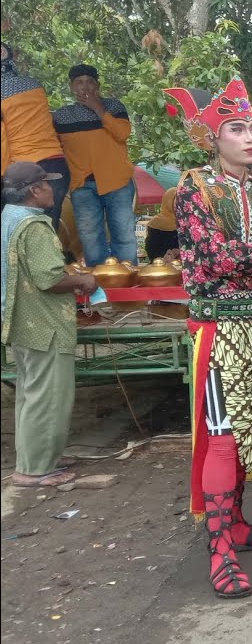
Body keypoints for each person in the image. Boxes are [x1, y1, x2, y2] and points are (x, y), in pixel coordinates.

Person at [164, 78, 252, 598]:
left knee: (246, 432)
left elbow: (249, 258)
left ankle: (236, 524)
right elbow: (214, 258)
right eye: (237, 129)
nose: (250, 137)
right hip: (219, 331)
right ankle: (219, 551)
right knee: (221, 435)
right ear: (214, 139)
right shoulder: (195, 187)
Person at [2, 161, 97, 488]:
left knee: (31, 394)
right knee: (48, 396)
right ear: (33, 191)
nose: (52, 189)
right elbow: (49, 278)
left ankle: (41, 456)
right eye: (47, 184)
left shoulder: (8, 218)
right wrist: (83, 279)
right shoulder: (35, 226)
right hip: (44, 323)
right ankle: (35, 470)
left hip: (22, 321)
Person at [53, 64, 137, 266]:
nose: (85, 87)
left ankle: (128, 290)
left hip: (117, 182)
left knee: (124, 237)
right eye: (79, 82)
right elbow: (54, 147)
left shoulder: (114, 107)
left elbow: (122, 133)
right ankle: (99, 291)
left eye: (90, 82)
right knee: (91, 240)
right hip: (82, 186)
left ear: (97, 85)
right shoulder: (62, 115)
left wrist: (98, 108)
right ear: (71, 86)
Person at [1, 43, 70, 226]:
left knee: (20, 229)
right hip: (56, 164)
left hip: (23, 172)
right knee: (48, 227)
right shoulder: (34, 85)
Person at [144, 187, 180, 262]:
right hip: (160, 267)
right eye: (177, 201)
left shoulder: (188, 222)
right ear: (168, 201)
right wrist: (164, 256)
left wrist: (181, 252)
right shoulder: (155, 223)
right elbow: (151, 249)